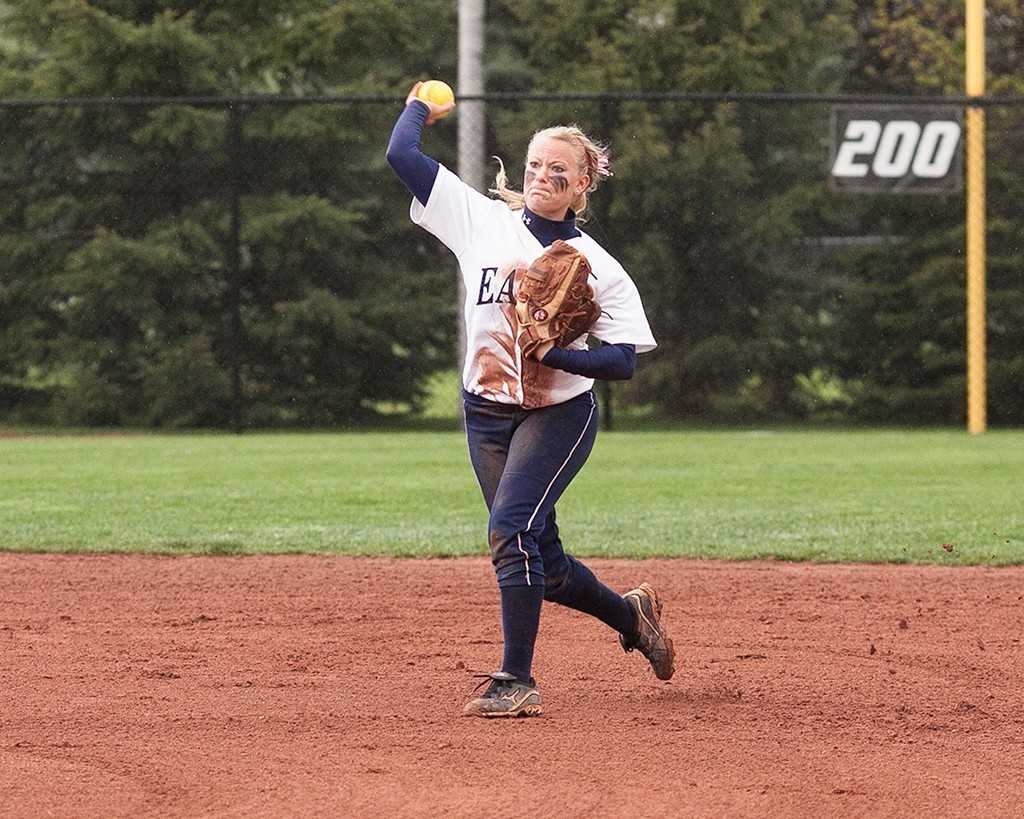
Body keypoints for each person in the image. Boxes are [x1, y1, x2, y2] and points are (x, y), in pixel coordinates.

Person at [386, 82, 675, 718]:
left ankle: (516, 679)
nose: (543, 175)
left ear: (581, 187)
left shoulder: (599, 265)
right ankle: (631, 616)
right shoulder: (480, 221)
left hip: (559, 414)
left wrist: (558, 355)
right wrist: (419, 107)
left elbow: (622, 361)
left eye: (559, 170)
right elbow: (401, 157)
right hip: (485, 411)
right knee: (542, 563)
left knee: (509, 529)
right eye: (536, 165)